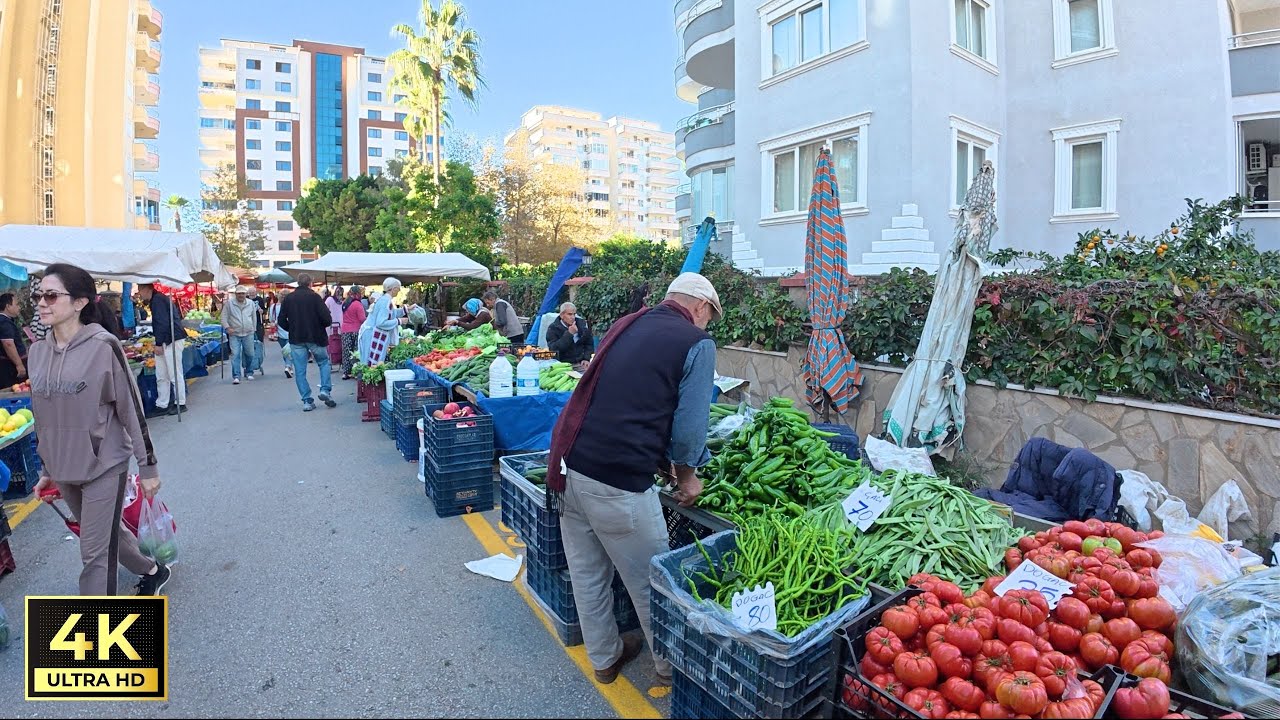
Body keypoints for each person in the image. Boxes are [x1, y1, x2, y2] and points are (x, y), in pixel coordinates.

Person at [547, 273, 721, 687]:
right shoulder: (696, 343)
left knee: (588, 575)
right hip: (619, 480)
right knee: (651, 581)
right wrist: (688, 476)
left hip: (571, 464)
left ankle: (605, 660)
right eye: (709, 318)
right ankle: (668, 669)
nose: (706, 326)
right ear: (700, 307)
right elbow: (691, 427)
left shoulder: (629, 322)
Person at [30, 263, 172, 596]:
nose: (41, 303)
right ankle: (152, 569)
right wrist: (47, 468)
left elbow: (131, 409)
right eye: (39, 295)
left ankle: (98, 632)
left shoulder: (102, 346)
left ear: (80, 302)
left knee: (94, 554)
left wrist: (148, 466)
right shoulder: (37, 353)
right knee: (107, 534)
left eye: (51, 295)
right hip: (64, 469)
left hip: (104, 465)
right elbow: (44, 417)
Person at [278, 273, 337, 412]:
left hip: (296, 339)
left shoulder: (289, 298)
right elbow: (327, 319)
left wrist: (291, 328)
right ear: (310, 283)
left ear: (298, 282)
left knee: (299, 371)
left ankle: (307, 401)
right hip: (316, 337)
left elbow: (281, 320)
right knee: (323, 363)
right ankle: (325, 390)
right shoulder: (315, 297)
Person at [137, 283, 186, 417]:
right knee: (162, 374)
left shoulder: (157, 300)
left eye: (140, 290)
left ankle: (180, 402)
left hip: (171, 339)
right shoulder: (157, 299)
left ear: (147, 289)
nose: (139, 294)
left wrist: (159, 343)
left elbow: (162, 322)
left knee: (174, 373)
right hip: (168, 338)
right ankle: (162, 403)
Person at [358, 278, 411, 365]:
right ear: (393, 289)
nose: (399, 290)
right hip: (372, 335)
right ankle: (369, 378)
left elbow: (392, 312)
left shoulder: (384, 299)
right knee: (370, 364)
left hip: (370, 333)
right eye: (398, 288)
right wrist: (399, 321)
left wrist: (406, 309)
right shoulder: (385, 301)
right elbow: (381, 323)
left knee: (368, 362)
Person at [220, 286, 259, 385]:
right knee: (235, 354)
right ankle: (236, 375)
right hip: (234, 333)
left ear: (246, 294)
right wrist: (227, 328)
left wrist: (254, 329)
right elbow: (223, 317)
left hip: (248, 332)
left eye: (243, 293)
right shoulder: (229, 304)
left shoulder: (250, 303)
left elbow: (254, 317)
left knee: (250, 353)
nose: (241, 295)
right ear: (236, 294)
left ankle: (249, 372)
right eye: (239, 293)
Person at [545, 302, 594, 367]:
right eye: (570, 314)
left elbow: (589, 343)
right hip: (562, 365)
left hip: (580, 363)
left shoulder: (581, 325)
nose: (573, 317)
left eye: (574, 314)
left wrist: (586, 358)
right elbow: (554, 349)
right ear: (562, 315)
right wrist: (569, 334)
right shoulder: (553, 328)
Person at [0, 293, 27, 389]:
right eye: (16, 304)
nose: (19, 307)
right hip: (10, 368)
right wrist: (19, 365)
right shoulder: (4, 321)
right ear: (8, 306)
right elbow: (8, 344)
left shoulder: (6, 320)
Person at [340, 286, 366, 380]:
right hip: (356, 330)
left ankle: (346, 372)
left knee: (346, 351)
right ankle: (355, 371)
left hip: (345, 330)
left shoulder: (345, 303)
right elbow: (362, 319)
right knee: (356, 352)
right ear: (358, 294)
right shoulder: (358, 304)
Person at [269, 288, 293, 379]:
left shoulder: (273, 307)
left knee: (285, 351)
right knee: (289, 351)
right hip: (291, 331)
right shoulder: (292, 306)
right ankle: (288, 366)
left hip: (279, 332)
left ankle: (288, 366)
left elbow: (271, 319)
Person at [248, 286, 267, 377]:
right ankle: (250, 363)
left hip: (258, 324)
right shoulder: (246, 299)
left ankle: (257, 361)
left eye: (253, 293)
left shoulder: (259, 299)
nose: (252, 295)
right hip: (248, 324)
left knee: (258, 343)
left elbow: (264, 310)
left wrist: (261, 311)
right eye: (250, 293)